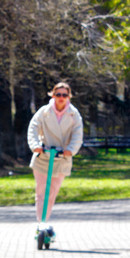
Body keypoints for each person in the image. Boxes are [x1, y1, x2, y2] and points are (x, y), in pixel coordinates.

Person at [27, 82, 83, 242]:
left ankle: (44, 222)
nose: (61, 98)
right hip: (43, 156)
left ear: (69, 97)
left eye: (65, 95)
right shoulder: (44, 112)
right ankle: (41, 224)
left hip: (61, 157)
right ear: (52, 95)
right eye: (58, 94)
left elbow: (78, 135)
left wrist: (70, 150)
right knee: (41, 192)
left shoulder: (74, 114)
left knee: (51, 193)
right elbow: (33, 128)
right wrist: (36, 145)